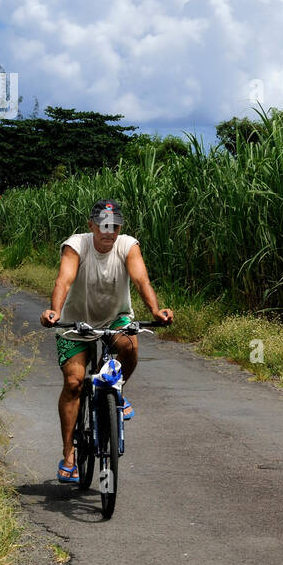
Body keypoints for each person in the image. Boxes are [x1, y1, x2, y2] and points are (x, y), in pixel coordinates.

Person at [39, 199, 173, 483]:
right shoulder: (77, 245)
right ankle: (69, 455)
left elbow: (141, 280)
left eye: (114, 226)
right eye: (103, 226)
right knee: (74, 382)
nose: (109, 232)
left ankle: (116, 391)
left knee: (130, 345)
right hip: (75, 322)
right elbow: (64, 279)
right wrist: (54, 311)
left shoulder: (128, 246)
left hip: (115, 318)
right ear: (92, 226)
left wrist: (155, 310)